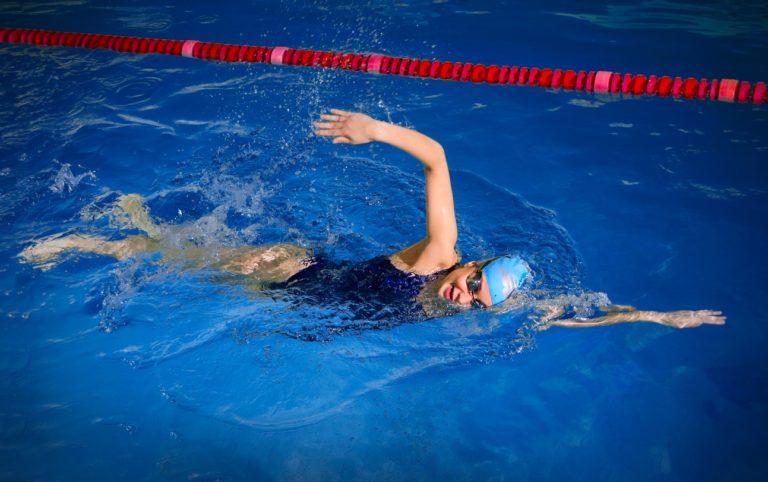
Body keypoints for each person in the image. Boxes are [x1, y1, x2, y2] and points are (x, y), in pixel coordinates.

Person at [19, 109, 725, 330]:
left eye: (478, 298)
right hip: (284, 273)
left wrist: (658, 320)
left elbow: (571, 312)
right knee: (160, 259)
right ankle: (84, 237)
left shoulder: (477, 307)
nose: (466, 293)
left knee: (170, 255)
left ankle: (136, 220)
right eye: (473, 280)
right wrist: (373, 130)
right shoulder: (437, 256)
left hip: (300, 291)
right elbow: (440, 158)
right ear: (470, 262)